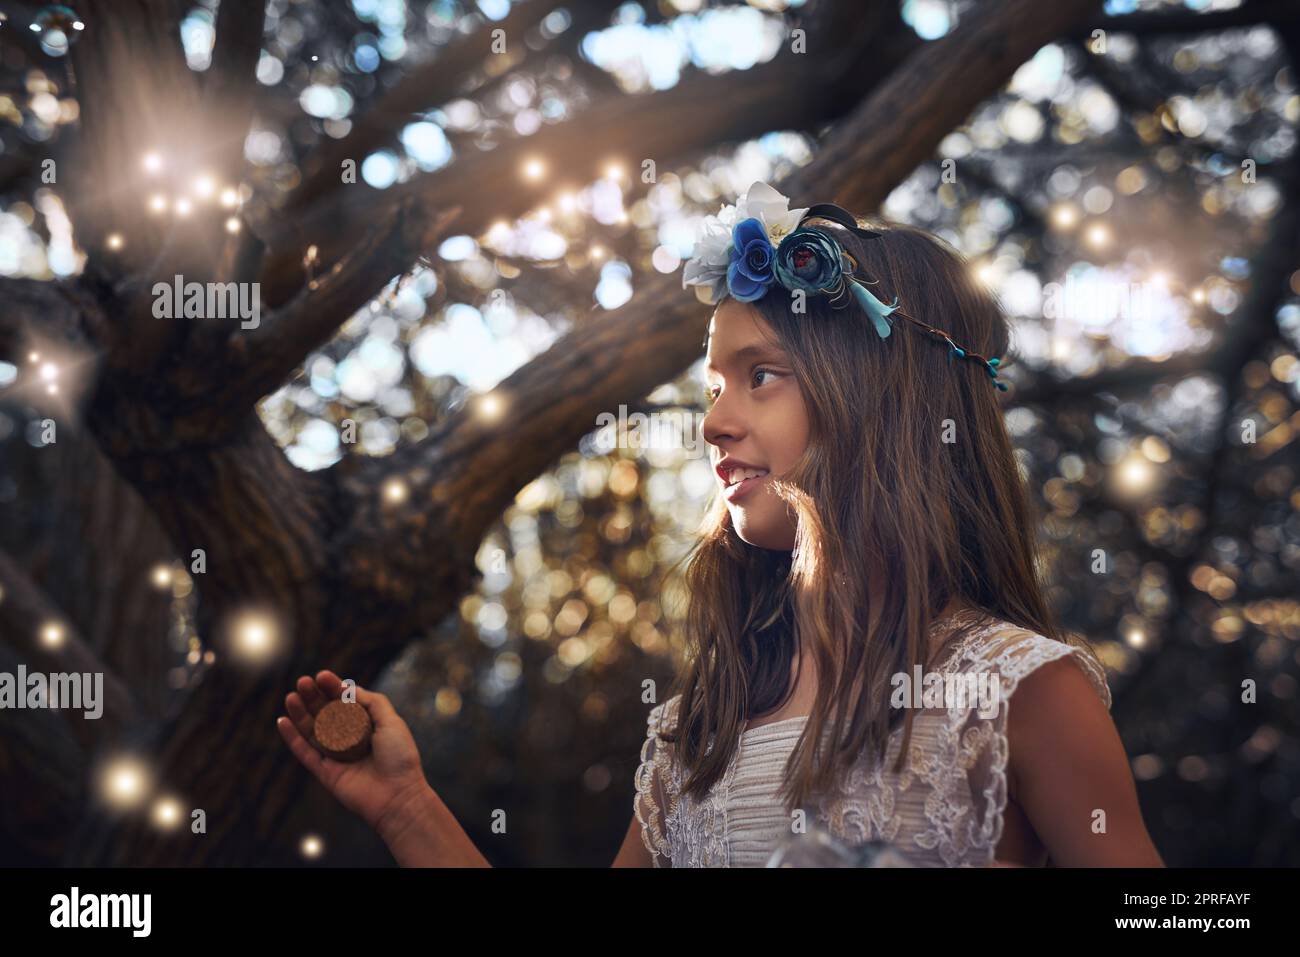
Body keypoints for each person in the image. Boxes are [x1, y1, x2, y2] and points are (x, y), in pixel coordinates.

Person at [278, 181, 1164, 868]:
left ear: (886, 401)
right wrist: (407, 808)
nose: (713, 422)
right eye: (711, 388)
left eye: (760, 376)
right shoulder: (697, 731)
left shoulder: (1020, 690)